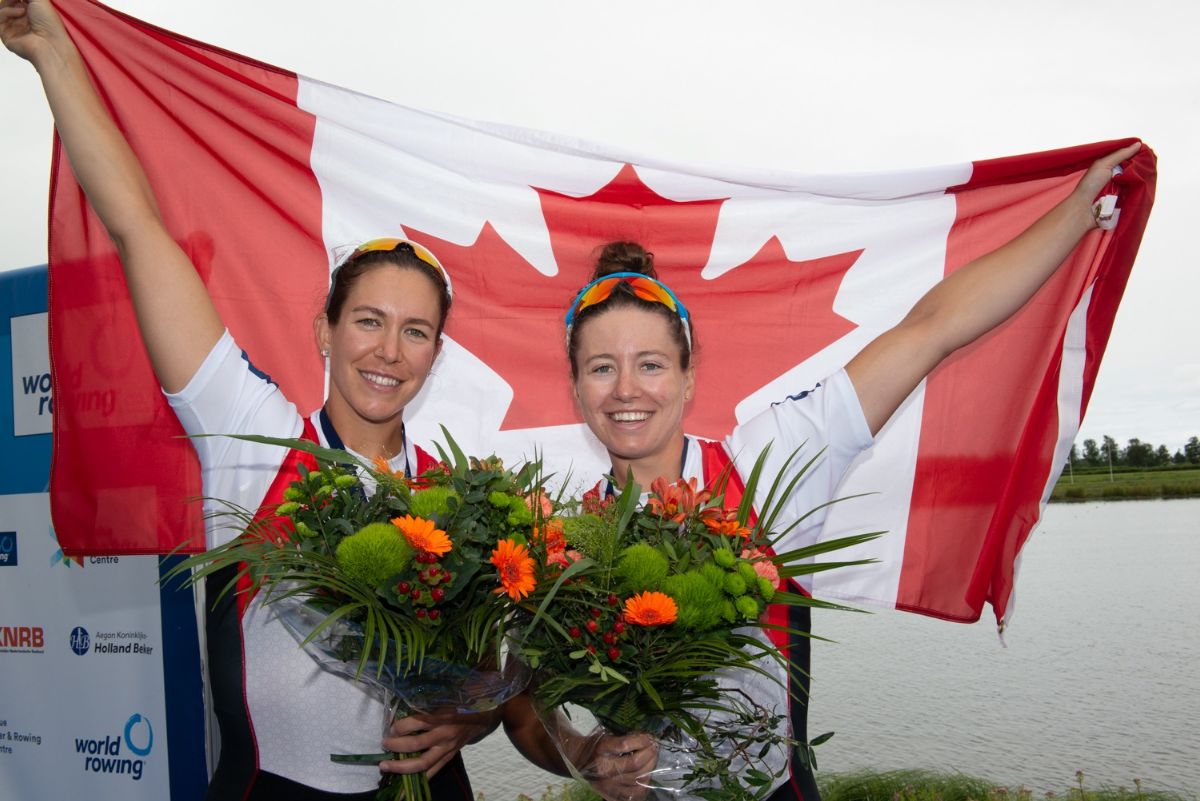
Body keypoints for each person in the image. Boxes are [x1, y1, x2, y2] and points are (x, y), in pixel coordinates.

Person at [551, 136, 1137, 800]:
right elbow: (524, 693)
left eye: (651, 363)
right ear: (576, 389)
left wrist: (1074, 215)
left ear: (688, 380)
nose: (627, 388)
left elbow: (932, 328)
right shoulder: (566, 537)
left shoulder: (770, 461)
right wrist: (582, 750)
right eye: (602, 367)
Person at [0, 1, 488, 797]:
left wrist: (470, 718)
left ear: (437, 353)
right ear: (323, 330)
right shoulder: (248, 431)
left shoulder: (462, 498)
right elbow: (138, 227)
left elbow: (496, 672)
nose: (389, 352)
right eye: (367, 320)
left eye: (416, 332)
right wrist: (52, 58)